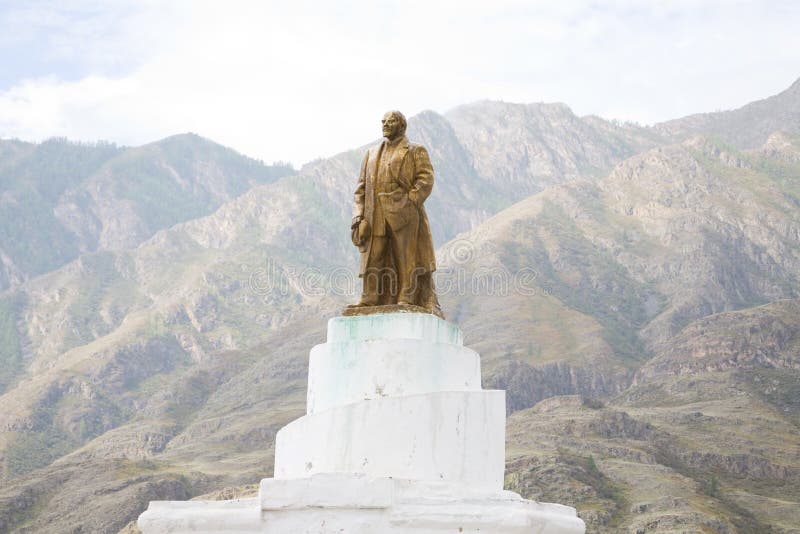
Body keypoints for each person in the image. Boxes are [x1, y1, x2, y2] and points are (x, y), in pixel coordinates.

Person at [348, 110, 441, 316]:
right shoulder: (371, 154)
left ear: (401, 125)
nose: (385, 125)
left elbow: (425, 179)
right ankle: (369, 298)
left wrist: (410, 202)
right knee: (374, 255)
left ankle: (406, 297)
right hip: (375, 214)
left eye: (390, 122)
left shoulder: (415, 150)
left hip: (404, 213)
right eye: (383, 121)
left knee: (406, 257)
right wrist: (359, 217)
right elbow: (360, 188)